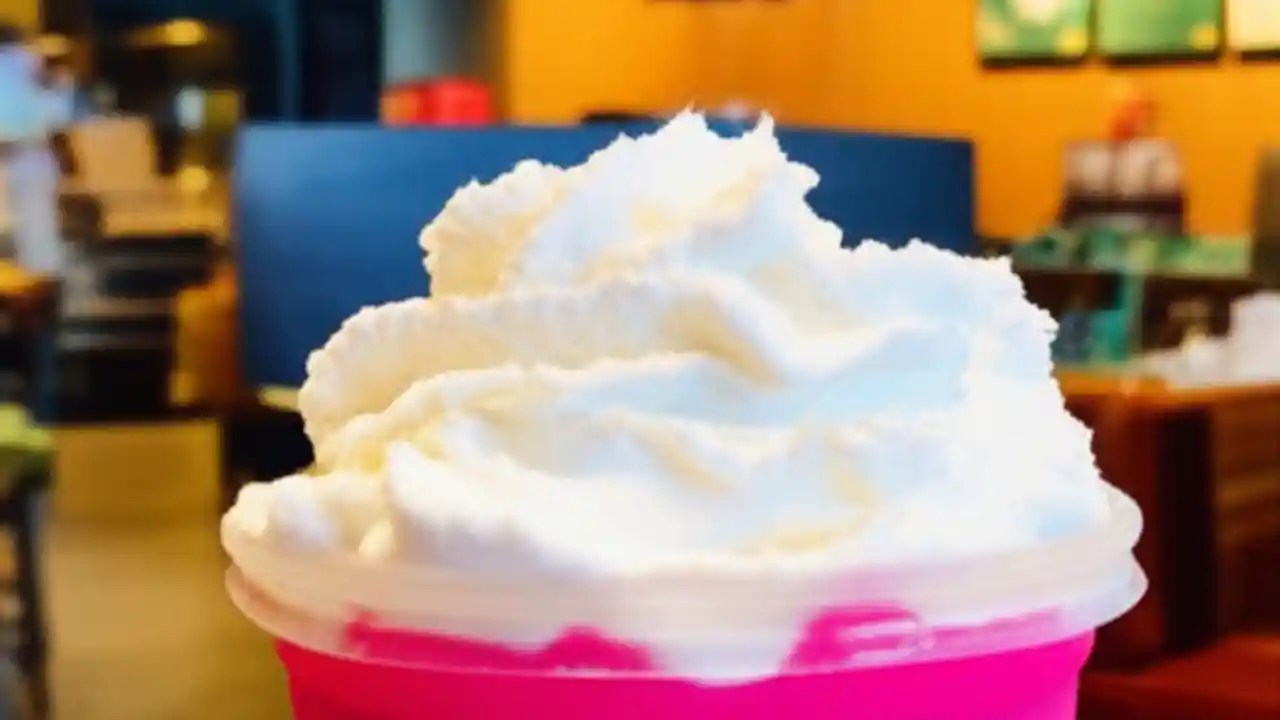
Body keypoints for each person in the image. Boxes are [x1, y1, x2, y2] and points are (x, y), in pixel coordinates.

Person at [0, 25, 64, 276]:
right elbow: (57, 113)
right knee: (37, 242)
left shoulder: (28, 63)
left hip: (28, 158)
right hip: (30, 157)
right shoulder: (32, 64)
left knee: (37, 242)